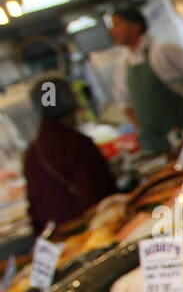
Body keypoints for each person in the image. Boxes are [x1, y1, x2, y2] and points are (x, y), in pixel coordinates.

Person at [109, 6, 183, 155]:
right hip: (154, 146)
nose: (113, 31)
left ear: (136, 26)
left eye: (117, 24)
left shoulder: (161, 50)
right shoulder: (122, 63)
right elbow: (123, 103)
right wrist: (141, 128)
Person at [23, 75, 117, 230]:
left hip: (60, 237)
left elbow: (33, 206)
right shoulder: (78, 144)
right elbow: (101, 194)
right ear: (71, 102)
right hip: (94, 229)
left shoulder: (32, 152)